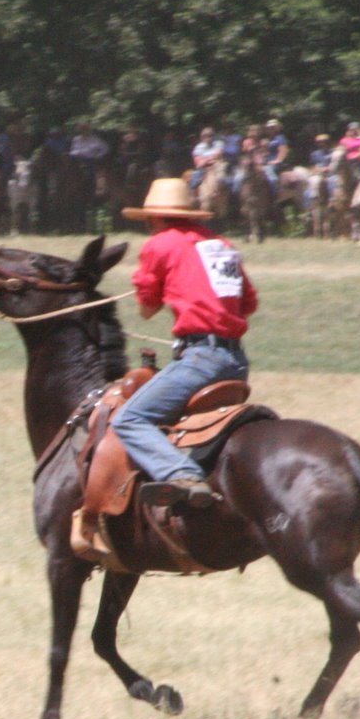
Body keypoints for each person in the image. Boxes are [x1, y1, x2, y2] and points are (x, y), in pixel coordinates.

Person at [111, 177, 257, 509]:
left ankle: (183, 474)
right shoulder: (222, 246)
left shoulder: (159, 244)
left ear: (155, 218)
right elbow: (248, 304)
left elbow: (147, 308)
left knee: (130, 419)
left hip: (201, 359)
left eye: (148, 220)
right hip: (236, 361)